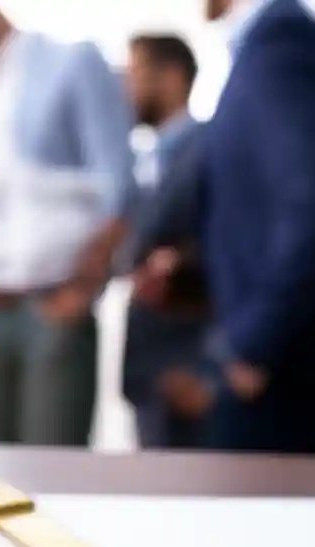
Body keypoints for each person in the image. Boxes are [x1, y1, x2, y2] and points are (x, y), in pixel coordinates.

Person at [0, 0, 133, 446]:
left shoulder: (73, 63)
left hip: (49, 306)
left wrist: (81, 291)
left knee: (51, 477)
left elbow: (119, 187)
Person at [194, 0, 315, 454]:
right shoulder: (271, 49)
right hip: (290, 358)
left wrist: (254, 343)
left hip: (288, 368)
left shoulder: (284, 49)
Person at [121, 35, 211, 450]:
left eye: (135, 73)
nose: (125, 87)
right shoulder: (147, 158)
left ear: (171, 77)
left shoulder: (210, 150)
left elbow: (230, 243)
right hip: (149, 364)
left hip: (187, 360)